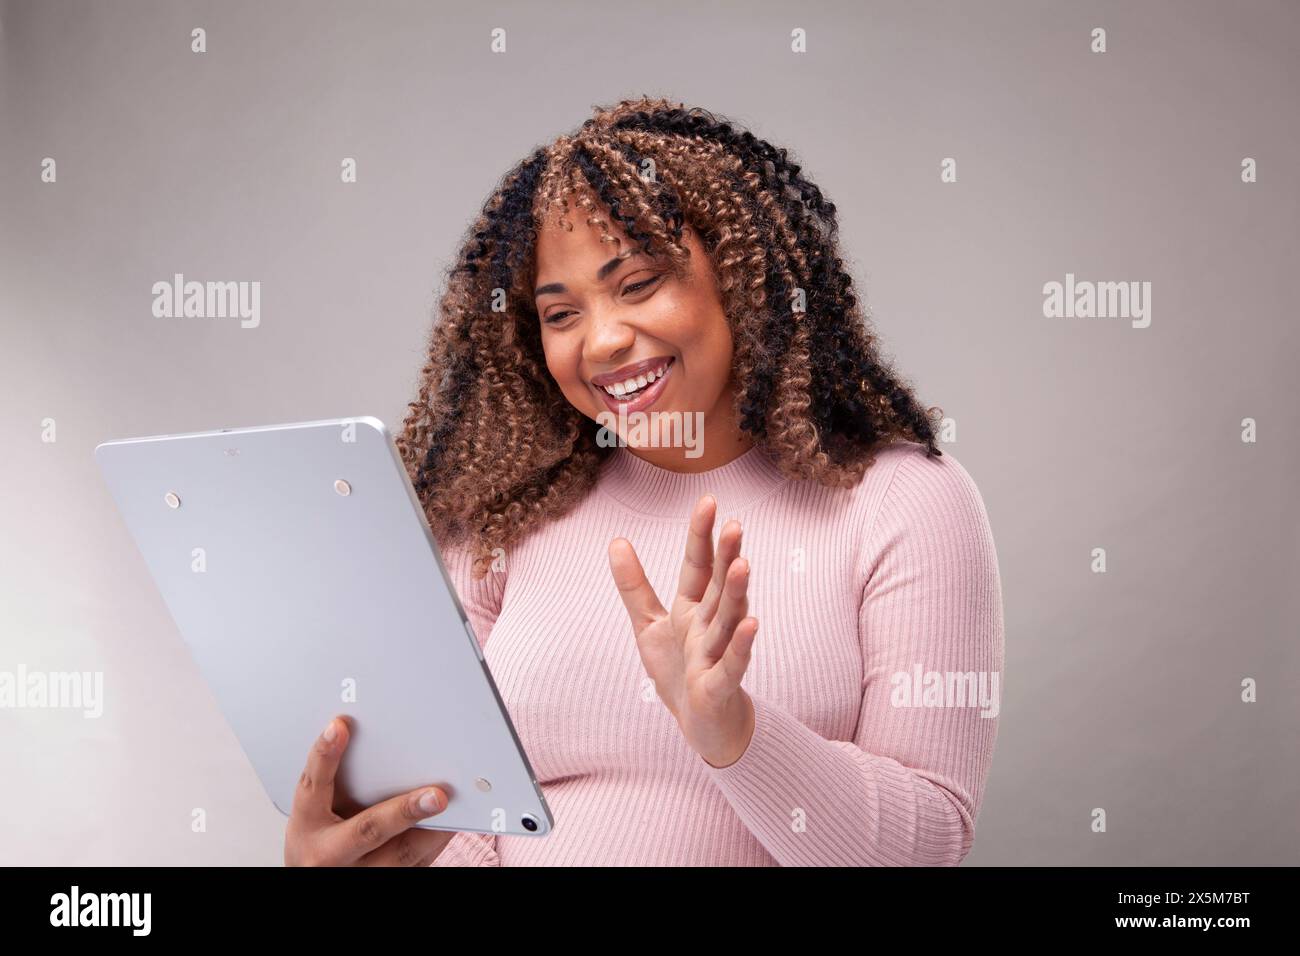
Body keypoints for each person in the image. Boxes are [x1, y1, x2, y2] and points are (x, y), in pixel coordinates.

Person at [284, 96, 1004, 867]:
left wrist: (734, 733)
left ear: (740, 275)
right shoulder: (503, 519)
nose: (604, 341)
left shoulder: (901, 502)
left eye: (636, 284)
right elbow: (476, 839)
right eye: (560, 315)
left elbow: (927, 845)